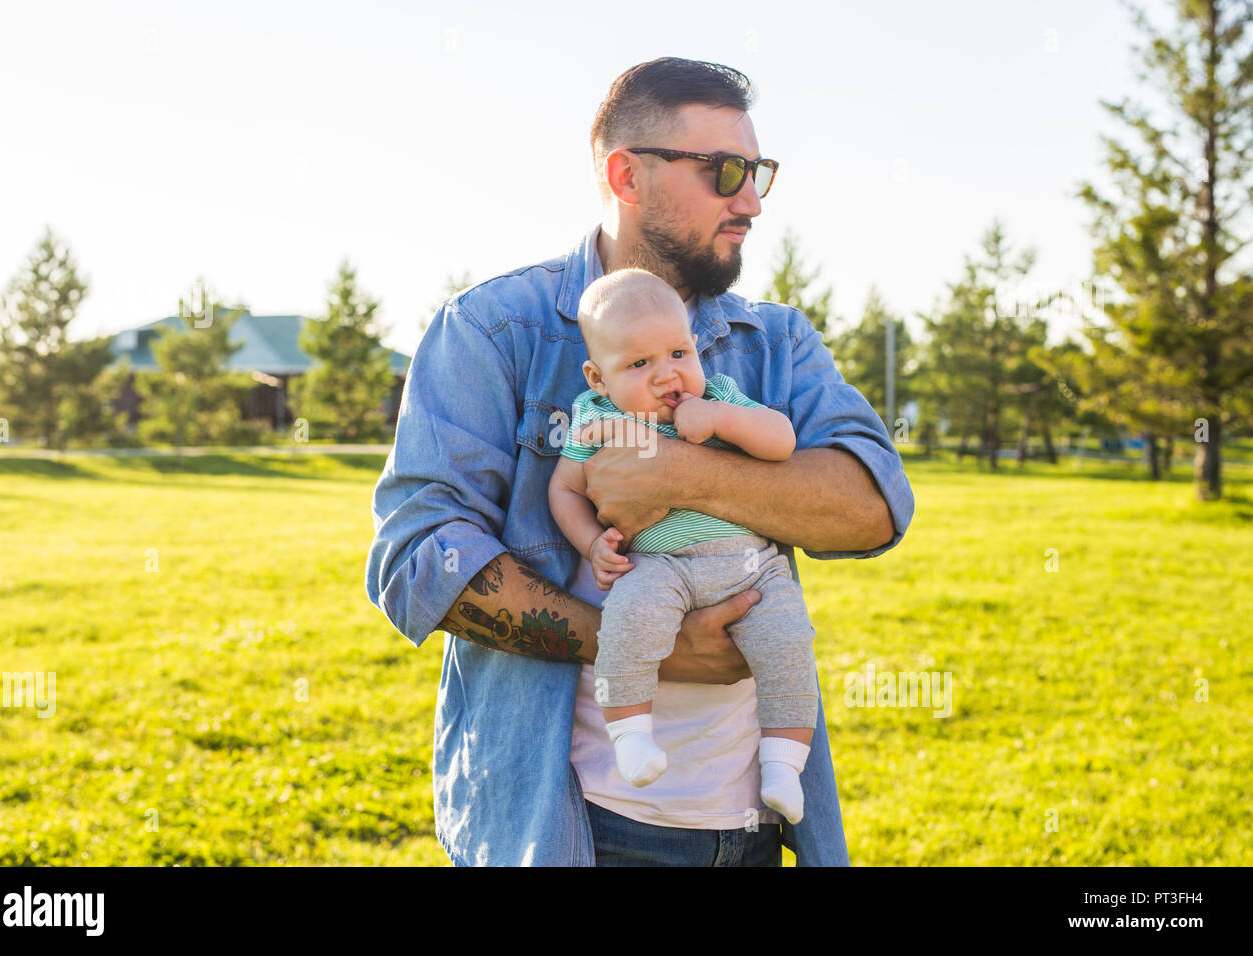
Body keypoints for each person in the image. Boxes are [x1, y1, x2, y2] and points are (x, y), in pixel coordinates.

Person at [365, 56, 914, 867]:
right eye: (725, 171)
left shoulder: (776, 341)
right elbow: (418, 563)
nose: (752, 200)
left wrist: (682, 472)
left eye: (758, 172)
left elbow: (874, 508)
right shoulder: (492, 329)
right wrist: (635, 640)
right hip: (575, 829)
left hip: (755, 826)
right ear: (626, 174)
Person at [548, 268, 817, 825]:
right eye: (639, 364)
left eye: (676, 353)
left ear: (696, 348)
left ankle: (784, 763)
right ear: (598, 378)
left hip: (751, 568)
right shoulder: (599, 418)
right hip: (659, 564)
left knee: (789, 642)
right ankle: (631, 736)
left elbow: (782, 441)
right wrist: (592, 542)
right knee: (628, 622)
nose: (666, 375)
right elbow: (565, 489)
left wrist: (721, 418)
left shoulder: (719, 394)